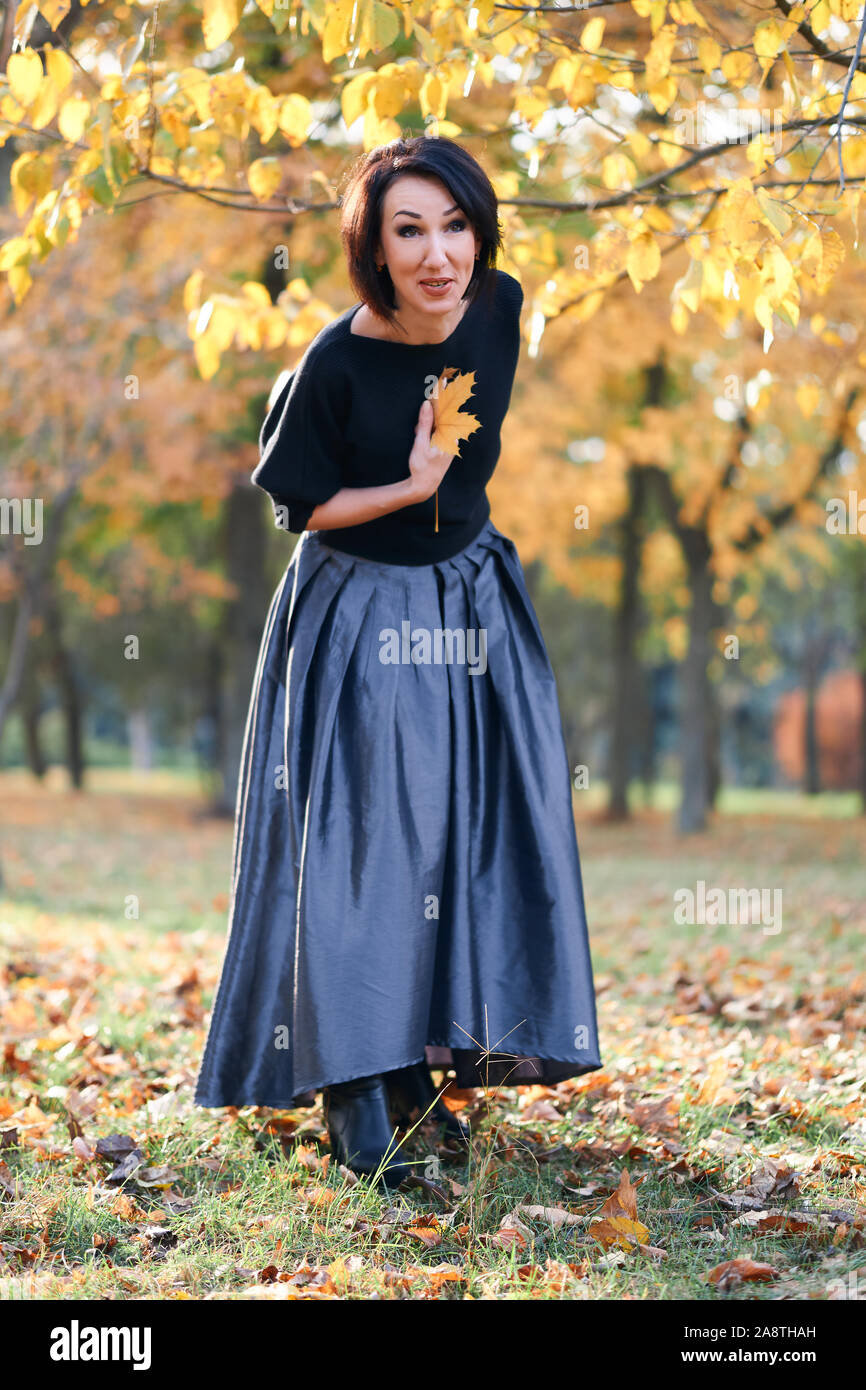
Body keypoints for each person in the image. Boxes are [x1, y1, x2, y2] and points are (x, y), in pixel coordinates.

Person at [193, 136, 602, 1187]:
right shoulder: (332, 363)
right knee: (366, 848)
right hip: (360, 607)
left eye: (453, 225)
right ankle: (351, 1085)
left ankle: (424, 1066)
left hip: (469, 596)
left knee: (462, 833)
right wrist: (411, 483)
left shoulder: (499, 308)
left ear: (480, 232)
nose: (436, 253)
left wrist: (447, 511)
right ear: (372, 248)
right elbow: (300, 506)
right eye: (406, 230)